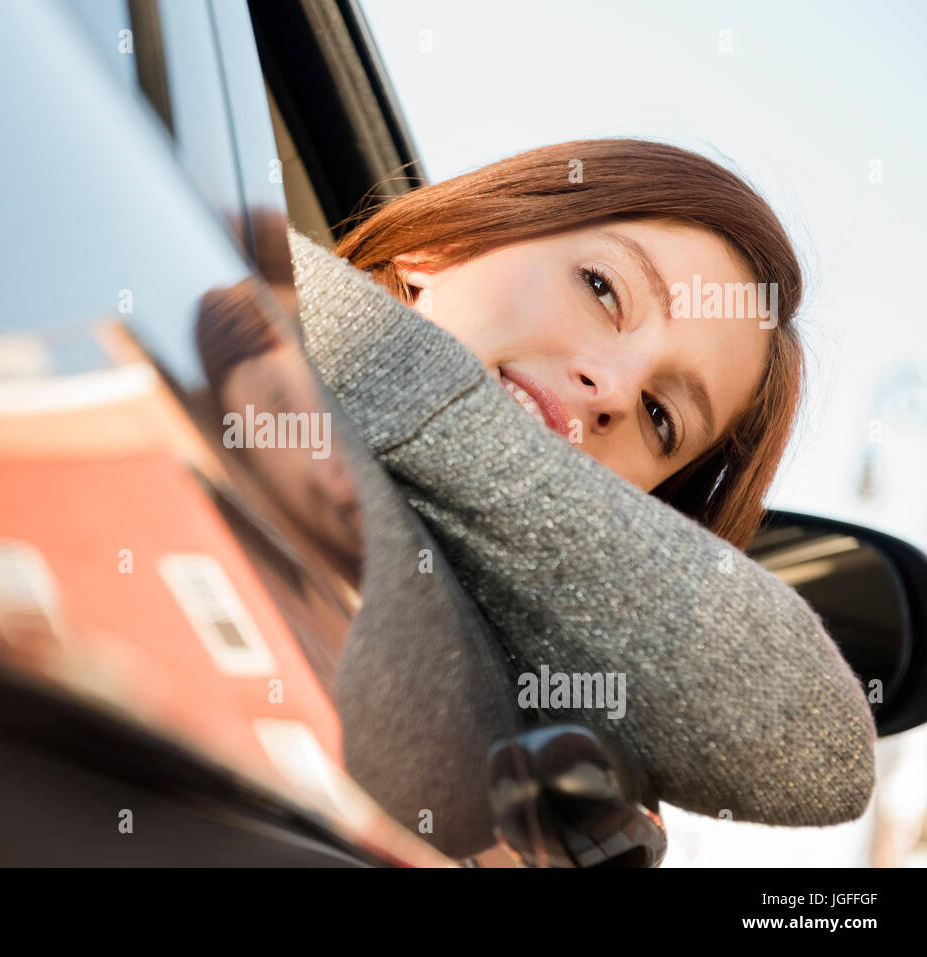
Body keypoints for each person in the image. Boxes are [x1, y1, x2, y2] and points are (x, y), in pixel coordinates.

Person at [284, 138, 877, 842]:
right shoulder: (246, 314)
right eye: (602, 288)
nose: (617, 388)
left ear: (641, 518)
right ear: (444, 245)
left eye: (661, 418)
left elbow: (818, 742)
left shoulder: (532, 697)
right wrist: (412, 371)